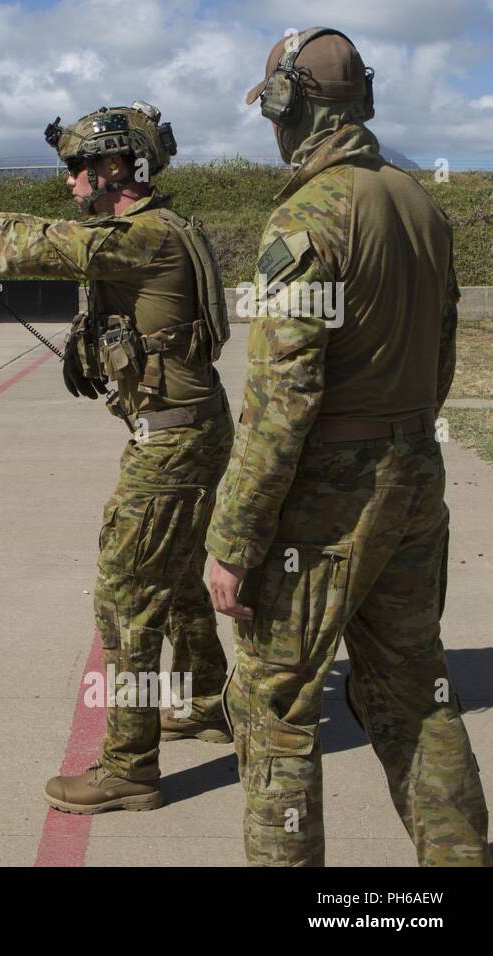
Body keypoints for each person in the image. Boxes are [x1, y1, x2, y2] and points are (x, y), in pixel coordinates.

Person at [0, 103, 233, 813]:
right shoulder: (162, 227)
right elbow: (55, 234)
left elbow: (41, 245)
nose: (70, 180)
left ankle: (130, 767)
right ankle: (203, 700)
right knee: (173, 577)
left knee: (126, 596)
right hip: (184, 427)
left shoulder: (142, 237)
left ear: (116, 167)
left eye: (78, 166)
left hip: (170, 438)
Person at [206, 27, 491, 866]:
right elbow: (438, 358)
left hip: (328, 498)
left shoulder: (308, 215)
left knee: (274, 708)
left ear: (291, 106)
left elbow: (280, 401)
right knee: (415, 691)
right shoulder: (419, 205)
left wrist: (234, 538)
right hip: (414, 473)